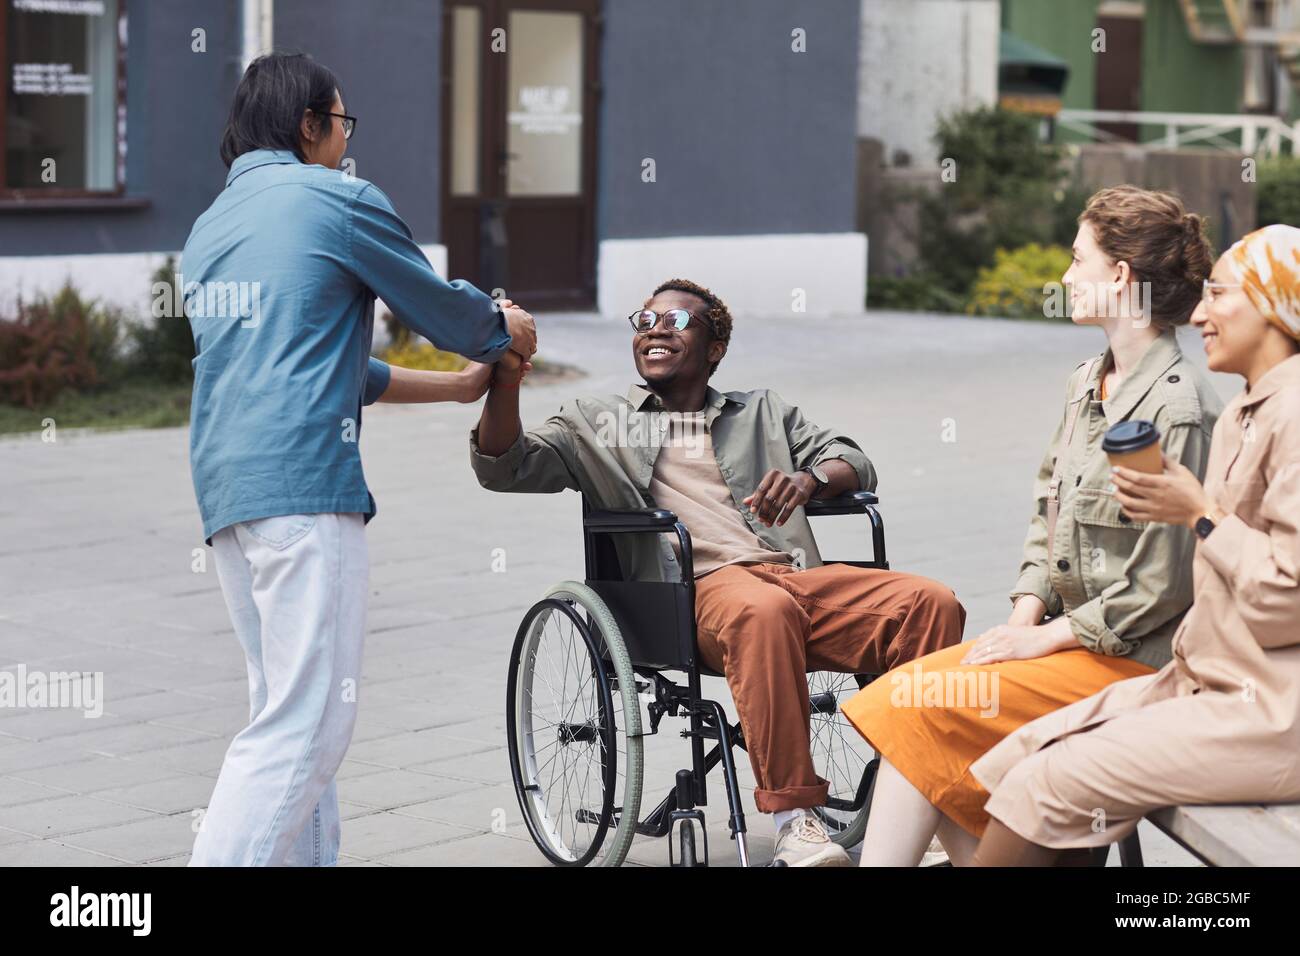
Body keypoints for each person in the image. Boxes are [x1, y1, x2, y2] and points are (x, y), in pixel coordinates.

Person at [473, 277, 966, 866]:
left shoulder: (761, 412)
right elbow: (505, 467)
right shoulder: (598, 419)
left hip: (788, 572)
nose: (655, 329)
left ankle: (913, 802)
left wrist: (810, 479)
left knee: (931, 602)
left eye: (677, 322)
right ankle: (795, 817)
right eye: (644, 321)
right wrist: (506, 380)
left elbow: (854, 460)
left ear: (715, 349)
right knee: (764, 610)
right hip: (691, 594)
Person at [184, 53, 535, 866]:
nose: (346, 143)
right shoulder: (337, 201)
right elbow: (449, 312)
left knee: (283, 710)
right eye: (341, 124)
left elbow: (334, 366)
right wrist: (504, 328)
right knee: (306, 729)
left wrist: (454, 393)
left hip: (229, 494)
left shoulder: (212, 227)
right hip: (305, 487)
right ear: (309, 125)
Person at [842, 186, 1222, 866]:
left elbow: (1162, 586)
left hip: (1135, 662)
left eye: (1080, 261)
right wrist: (1022, 618)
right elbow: (1049, 516)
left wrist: (1042, 641)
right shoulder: (1086, 382)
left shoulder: (1179, 408)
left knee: (919, 701)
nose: (1067, 277)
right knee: (911, 710)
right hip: (1073, 646)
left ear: (1122, 278)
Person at [967, 223, 1300, 866]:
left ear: (1275, 304)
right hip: (1204, 681)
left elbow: (1285, 601)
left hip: (1269, 713)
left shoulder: (1291, 417)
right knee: (1016, 759)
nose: (1198, 313)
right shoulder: (1244, 411)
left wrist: (1198, 513)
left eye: (1220, 296)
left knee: (1045, 781)